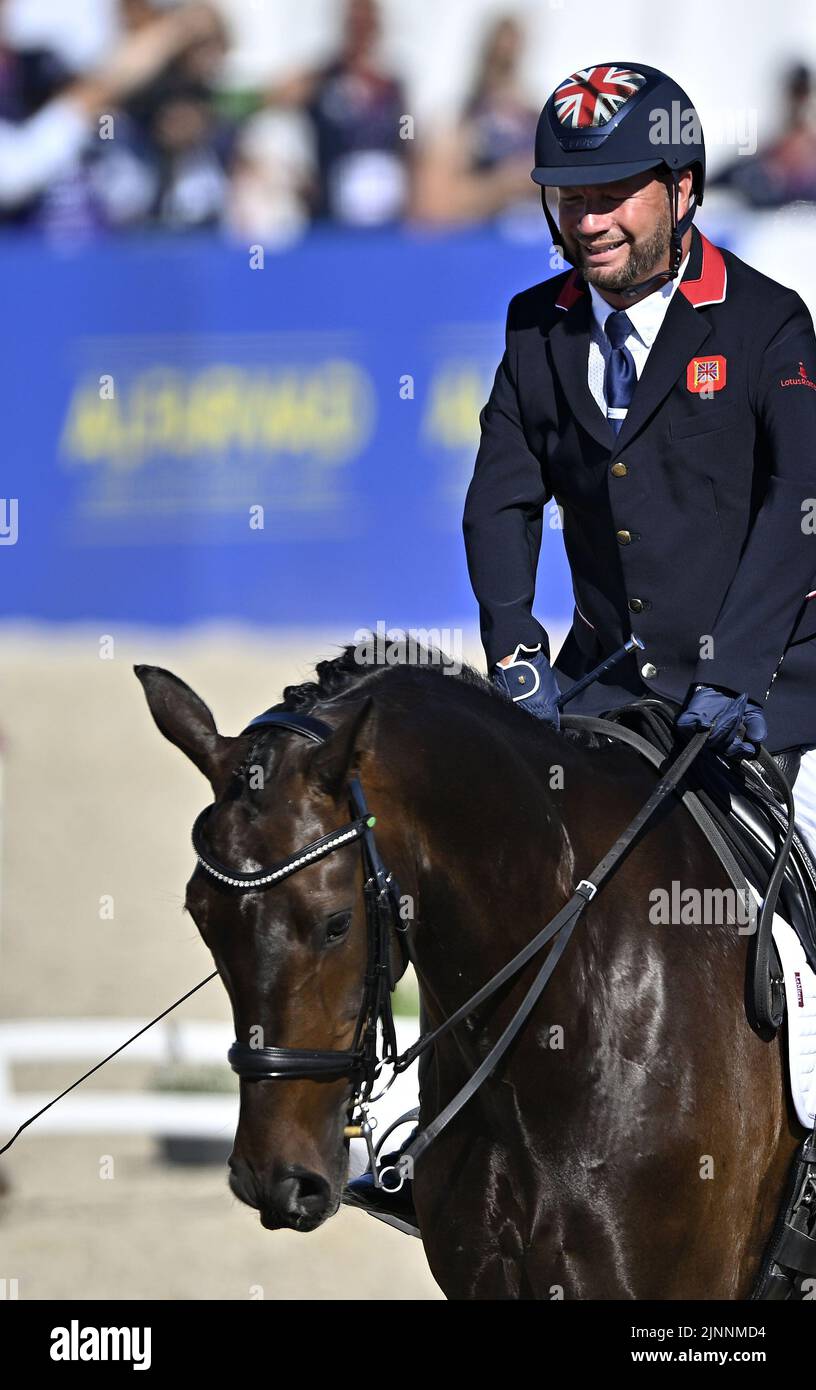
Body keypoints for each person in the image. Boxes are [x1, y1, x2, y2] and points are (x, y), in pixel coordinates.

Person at [345, 59, 816, 1233]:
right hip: (608, 682)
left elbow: (797, 508)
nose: (586, 220)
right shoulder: (540, 326)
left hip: (781, 688)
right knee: (489, 860)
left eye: (614, 193)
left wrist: (739, 679)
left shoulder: (765, 325)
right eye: (568, 195)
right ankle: (432, 1126)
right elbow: (498, 501)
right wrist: (516, 657)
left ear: (683, 189)